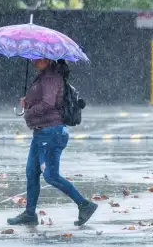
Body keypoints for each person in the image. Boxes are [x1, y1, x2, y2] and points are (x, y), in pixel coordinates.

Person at [7, 58, 98, 226]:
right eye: (33, 58)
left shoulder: (50, 77)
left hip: (51, 133)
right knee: (32, 173)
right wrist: (27, 101)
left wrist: (28, 110)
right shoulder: (45, 76)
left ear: (48, 59)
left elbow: (48, 103)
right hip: (41, 132)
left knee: (51, 176)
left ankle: (84, 204)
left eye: (39, 58)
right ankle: (29, 213)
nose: (34, 61)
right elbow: (44, 99)